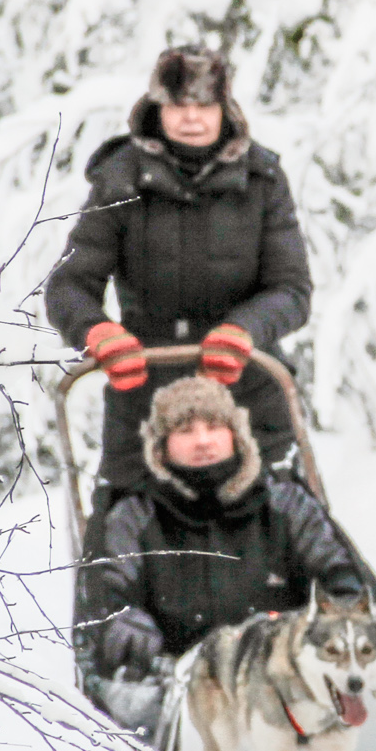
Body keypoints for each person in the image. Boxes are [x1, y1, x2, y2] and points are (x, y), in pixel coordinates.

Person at [45, 45, 314, 675]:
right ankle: (127, 666)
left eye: (205, 104)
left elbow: (292, 290)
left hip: (246, 393)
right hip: (146, 396)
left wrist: (245, 330)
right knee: (129, 527)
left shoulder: (263, 178)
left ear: (225, 107)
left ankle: (296, 657)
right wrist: (98, 334)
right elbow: (69, 285)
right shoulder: (120, 179)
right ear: (157, 107)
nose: (192, 118)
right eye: (179, 105)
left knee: (276, 515)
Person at [91, 377, 373, 727]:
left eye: (214, 426)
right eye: (185, 430)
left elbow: (338, 576)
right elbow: (110, 601)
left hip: (286, 680)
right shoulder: (135, 516)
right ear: (160, 448)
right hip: (180, 685)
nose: (203, 440)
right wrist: (138, 640)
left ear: (237, 436)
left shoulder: (284, 503)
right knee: (129, 700)